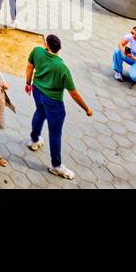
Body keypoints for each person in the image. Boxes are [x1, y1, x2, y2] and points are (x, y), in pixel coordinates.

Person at [25, 34, 92, 180]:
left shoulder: (37, 51)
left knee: (39, 113)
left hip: (37, 90)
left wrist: (28, 82)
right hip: (54, 102)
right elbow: (73, 93)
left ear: (47, 45)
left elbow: (30, 66)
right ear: (59, 48)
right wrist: (87, 108)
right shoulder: (62, 67)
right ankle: (56, 166)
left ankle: (34, 140)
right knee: (55, 133)